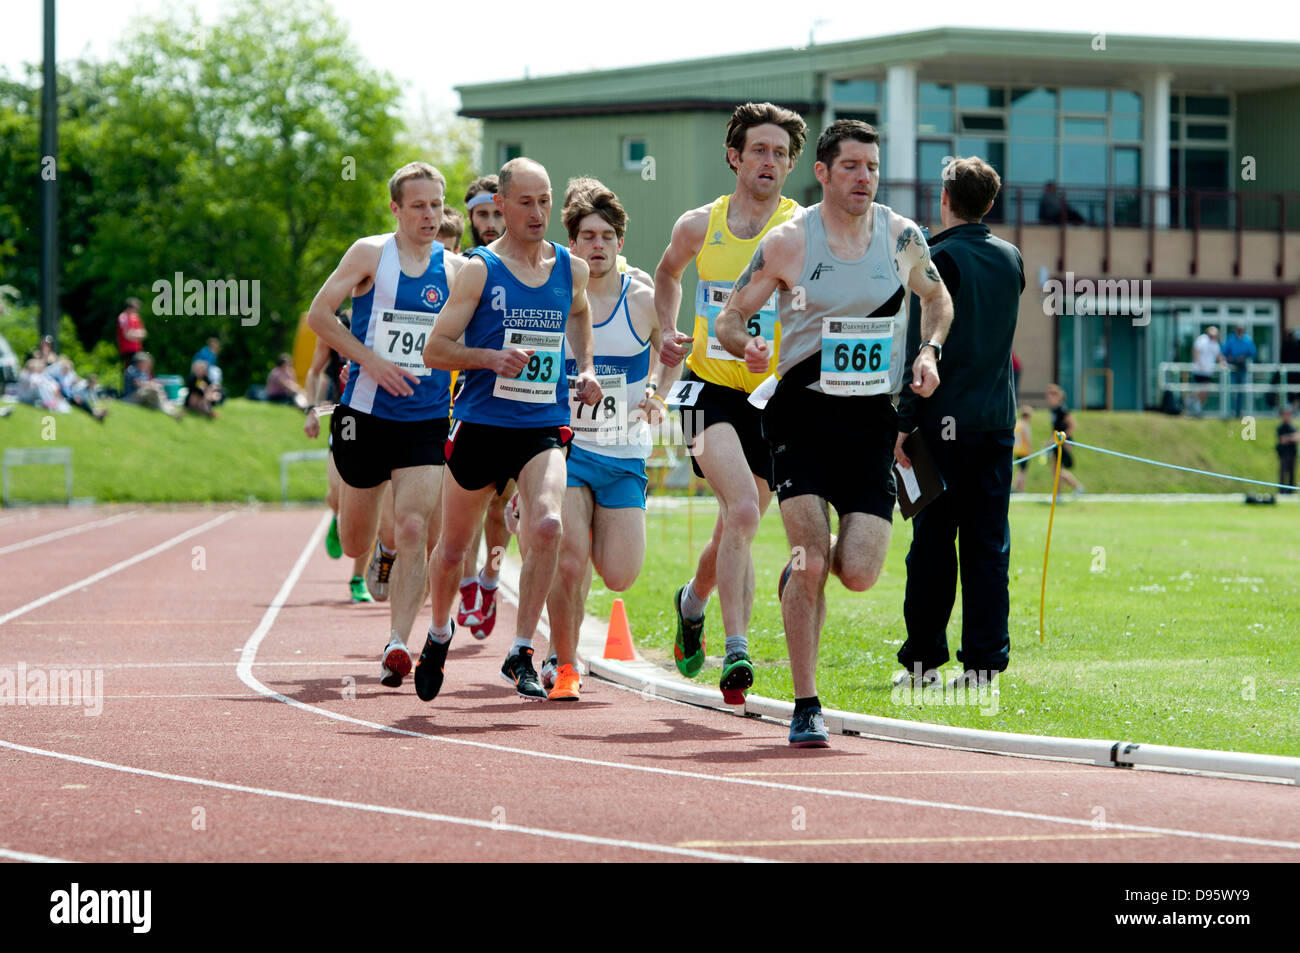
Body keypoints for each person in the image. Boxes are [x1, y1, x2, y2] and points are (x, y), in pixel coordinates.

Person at [716, 119, 953, 746]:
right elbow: (730, 317)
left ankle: (801, 582)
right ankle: (805, 703)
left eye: (872, 167)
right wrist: (749, 346)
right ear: (822, 173)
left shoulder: (902, 238)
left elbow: (939, 300)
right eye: (851, 167)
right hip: (803, 414)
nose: (864, 178)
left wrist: (928, 351)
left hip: (874, 422)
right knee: (812, 555)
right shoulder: (791, 241)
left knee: (858, 571)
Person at [421, 156, 601, 702]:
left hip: (541, 425)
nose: (538, 211)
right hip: (480, 423)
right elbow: (434, 349)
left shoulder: (570, 268)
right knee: (453, 550)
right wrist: (489, 357)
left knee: (547, 525)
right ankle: (437, 634)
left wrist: (586, 367)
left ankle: (520, 649)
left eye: (545, 200)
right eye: (526, 201)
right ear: (500, 205)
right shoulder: (479, 269)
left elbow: (580, 317)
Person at [654, 101, 808, 705]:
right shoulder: (700, 225)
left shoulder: (804, 231)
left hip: (771, 397)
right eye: (759, 151)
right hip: (705, 387)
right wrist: (668, 327)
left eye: (781, 154)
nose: (770, 162)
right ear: (734, 157)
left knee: (734, 524)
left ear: (792, 165)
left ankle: (692, 602)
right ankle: (737, 649)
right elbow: (667, 273)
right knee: (742, 511)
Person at [305, 160, 463, 688]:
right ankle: (380, 548)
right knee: (354, 541)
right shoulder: (370, 254)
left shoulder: (458, 270)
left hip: (424, 420)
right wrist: (368, 359)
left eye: (436, 205)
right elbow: (320, 315)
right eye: (417, 205)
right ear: (395, 208)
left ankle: (398, 642)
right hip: (363, 417)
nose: (428, 215)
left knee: (417, 524)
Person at [893, 155, 1024, 693]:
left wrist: (902, 421)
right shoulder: (1011, 256)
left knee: (931, 545)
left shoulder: (939, 259)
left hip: (939, 423)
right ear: (990, 203)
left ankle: (924, 663)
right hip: (994, 422)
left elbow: (917, 346)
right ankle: (983, 668)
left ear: (943, 200)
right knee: (988, 546)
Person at [538, 182, 661, 700]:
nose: (597, 245)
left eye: (606, 236)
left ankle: (565, 641)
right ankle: (565, 664)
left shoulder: (643, 298)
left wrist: (656, 390)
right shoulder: (550, 291)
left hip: (624, 453)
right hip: (565, 448)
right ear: (572, 243)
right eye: (587, 236)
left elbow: (675, 352)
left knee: (618, 575)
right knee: (568, 559)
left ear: (618, 242)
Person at [454, 174, 513, 641]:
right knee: (468, 507)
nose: (491, 223)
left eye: (497, 212)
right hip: (465, 405)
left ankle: (491, 581)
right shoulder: (460, 268)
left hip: (517, 406)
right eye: (482, 214)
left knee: (501, 509)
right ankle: (468, 582)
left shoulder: (526, 266)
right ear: (470, 217)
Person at [1043, 383, 1083, 496]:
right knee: (1055, 470)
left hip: (1064, 443)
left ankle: (1077, 487)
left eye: (1050, 395)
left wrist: (1063, 439)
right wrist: (1050, 441)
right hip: (1057, 443)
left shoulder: (1062, 409)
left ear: (1057, 396)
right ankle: (1058, 494)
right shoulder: (1054, 410)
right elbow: (1056, 429)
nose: (1048, 398)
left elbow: (1072, 425)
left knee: (1058, 471)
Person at [121, 352, 181, 419]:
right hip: (130, 397)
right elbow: (137, 383)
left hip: (141, 395)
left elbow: (147, 383)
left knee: (157, 389)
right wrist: (151, 385)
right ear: (140, 362)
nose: (148, 364)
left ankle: (169, 409)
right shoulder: (132, 370)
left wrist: (153, 385)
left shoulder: (143, 372)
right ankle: (169, 409)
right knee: (154, 390)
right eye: (146, 362)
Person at [1190, 325, 1227, 417]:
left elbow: (1218, 355)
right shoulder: (1202, 339)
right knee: (1199, 390)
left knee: (1205, 391)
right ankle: (1192, 404)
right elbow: (1195, 351)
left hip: (1208, 372)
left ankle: (1198, 408)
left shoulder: (1215, 344)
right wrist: (1199, 364)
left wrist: (1223, 363)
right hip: (1199, 371)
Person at [1221, 325, 1257, 418]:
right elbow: (1224, 351)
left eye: (1241, 329)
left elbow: (1253, 353)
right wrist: (1229, 358)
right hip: (1233, 368)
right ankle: (1231, 412)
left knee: (1241, 391)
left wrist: (1244, 357)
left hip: (1242, 368)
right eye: (1238, 329)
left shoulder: (1247, 340)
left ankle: (1239, 412)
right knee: (1232, 390)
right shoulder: (1231, 339)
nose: (1239, 331)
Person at [116, 298, 147, 373]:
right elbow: (126, 334)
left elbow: (144, 333)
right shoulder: (123, 317)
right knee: (128, 370)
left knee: (137, 370)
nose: (137, 310)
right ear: (130, 307)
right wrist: (137, 334)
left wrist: (133, 333)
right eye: (136, 308)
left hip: (137, 349)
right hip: (126, 349)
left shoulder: (136, 317)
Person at [1011, 407, 1033, 493]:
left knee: (1021, 470)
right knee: (1022, 471)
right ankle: (1016, 487)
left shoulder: (1017, 423)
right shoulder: (1025, 425)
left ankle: (1019, 488)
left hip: (1017, 450)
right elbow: (1027, 438)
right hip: (1024, 451)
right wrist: (1030, 449)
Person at [1278, 405, 1297, 494]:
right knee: (1283, 474)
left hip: (1292, 453)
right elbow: (1282, 440)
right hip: (1283, 454)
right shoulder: (1281, 428)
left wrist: (1288, 438)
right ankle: (1281, 492)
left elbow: (1297, 438)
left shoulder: (1293, 427)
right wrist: (1292, 437)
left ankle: (1291, 492)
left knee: (1292, 474)